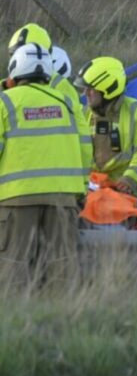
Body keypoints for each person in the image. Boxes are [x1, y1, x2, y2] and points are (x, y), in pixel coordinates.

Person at [0, 43, 87, 288]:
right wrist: (81, 190)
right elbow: (85, 147)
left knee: (13, 267)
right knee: (62, 268)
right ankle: (64, 311)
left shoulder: (5, 102)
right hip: (63, 198)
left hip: (16, 199)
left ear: (14, 71)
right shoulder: (68, 102)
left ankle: (14, 312)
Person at [77, 56, 137, 197]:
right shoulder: (83, 114)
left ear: (108, 89)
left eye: (91, 89)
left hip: (135, 195)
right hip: (96, 192)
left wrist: (131, 179)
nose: (86, 93)